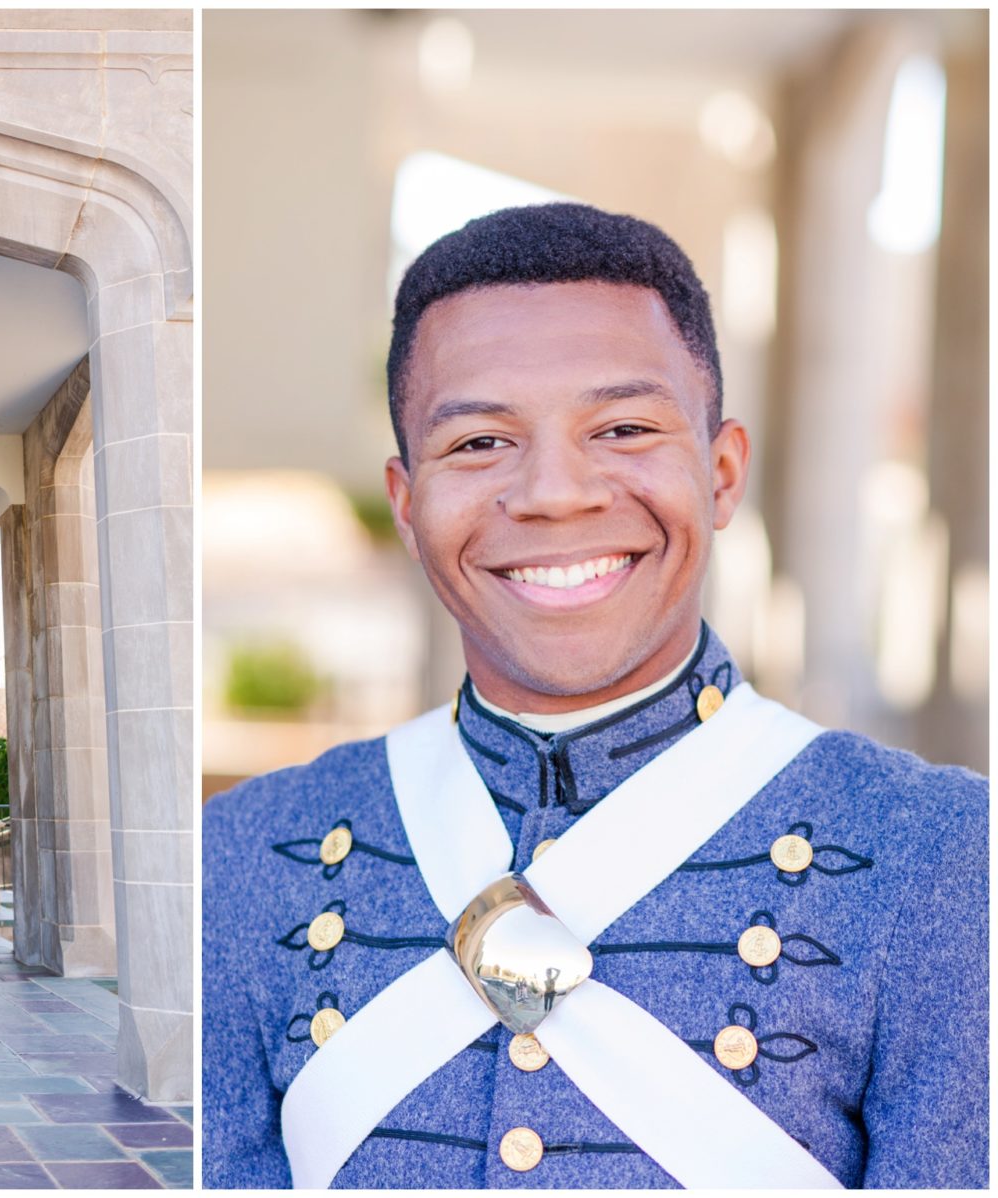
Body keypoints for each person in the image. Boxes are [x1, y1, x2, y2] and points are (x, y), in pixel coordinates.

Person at [202, 203, 988, 1188]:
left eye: (621, 427)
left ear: (721, 470)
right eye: (480, 442)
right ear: (408, 507)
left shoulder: (945, 854)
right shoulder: (238, 859)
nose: (555, 494)